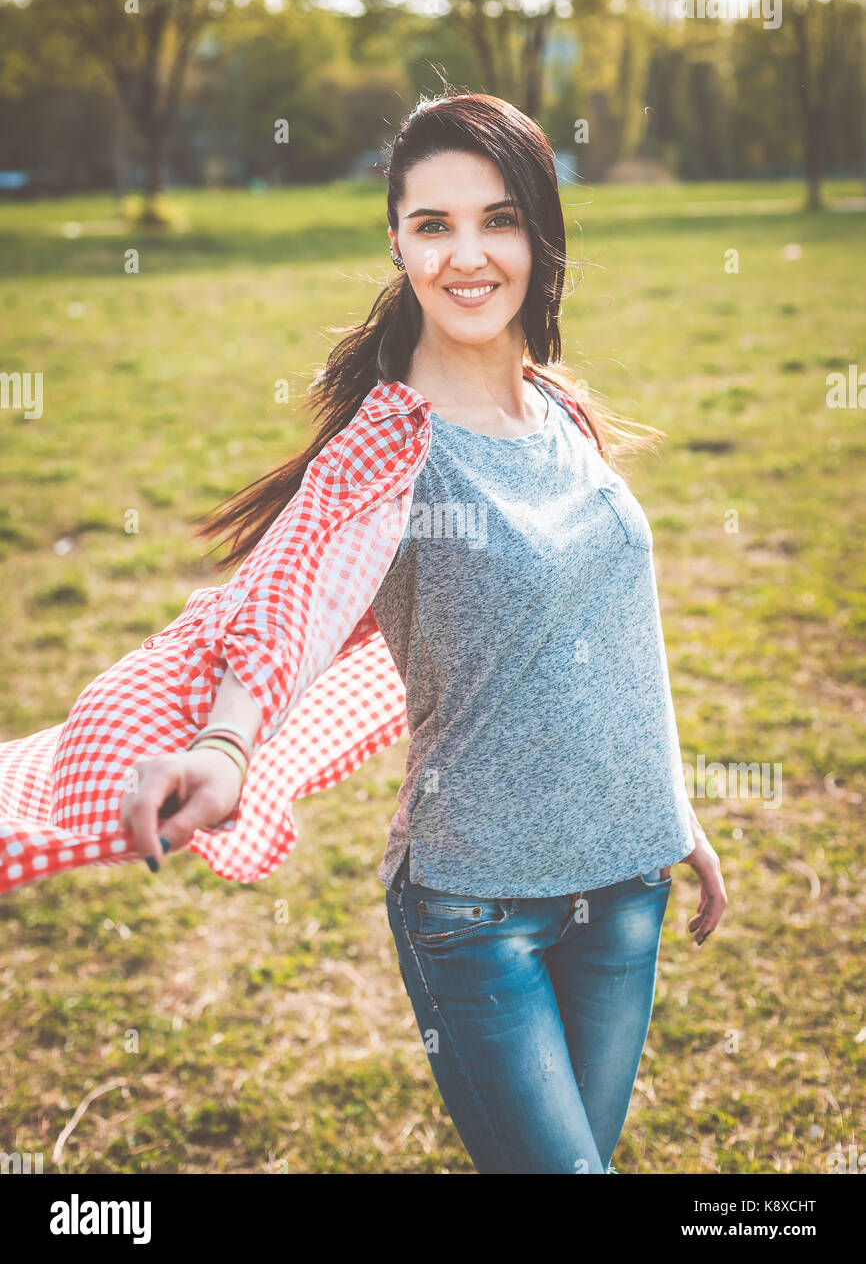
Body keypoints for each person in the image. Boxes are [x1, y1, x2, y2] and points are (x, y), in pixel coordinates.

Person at [0, 89, 726, 1174]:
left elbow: (618, 638)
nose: (465, 254)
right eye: (432, 225)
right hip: (480, 917)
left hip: (626, 892)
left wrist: (669, 813)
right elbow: (290, 589)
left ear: (541, 230)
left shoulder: (562, 412)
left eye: (497, 218)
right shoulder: (386, 448)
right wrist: (226, 744)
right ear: (395, 239)